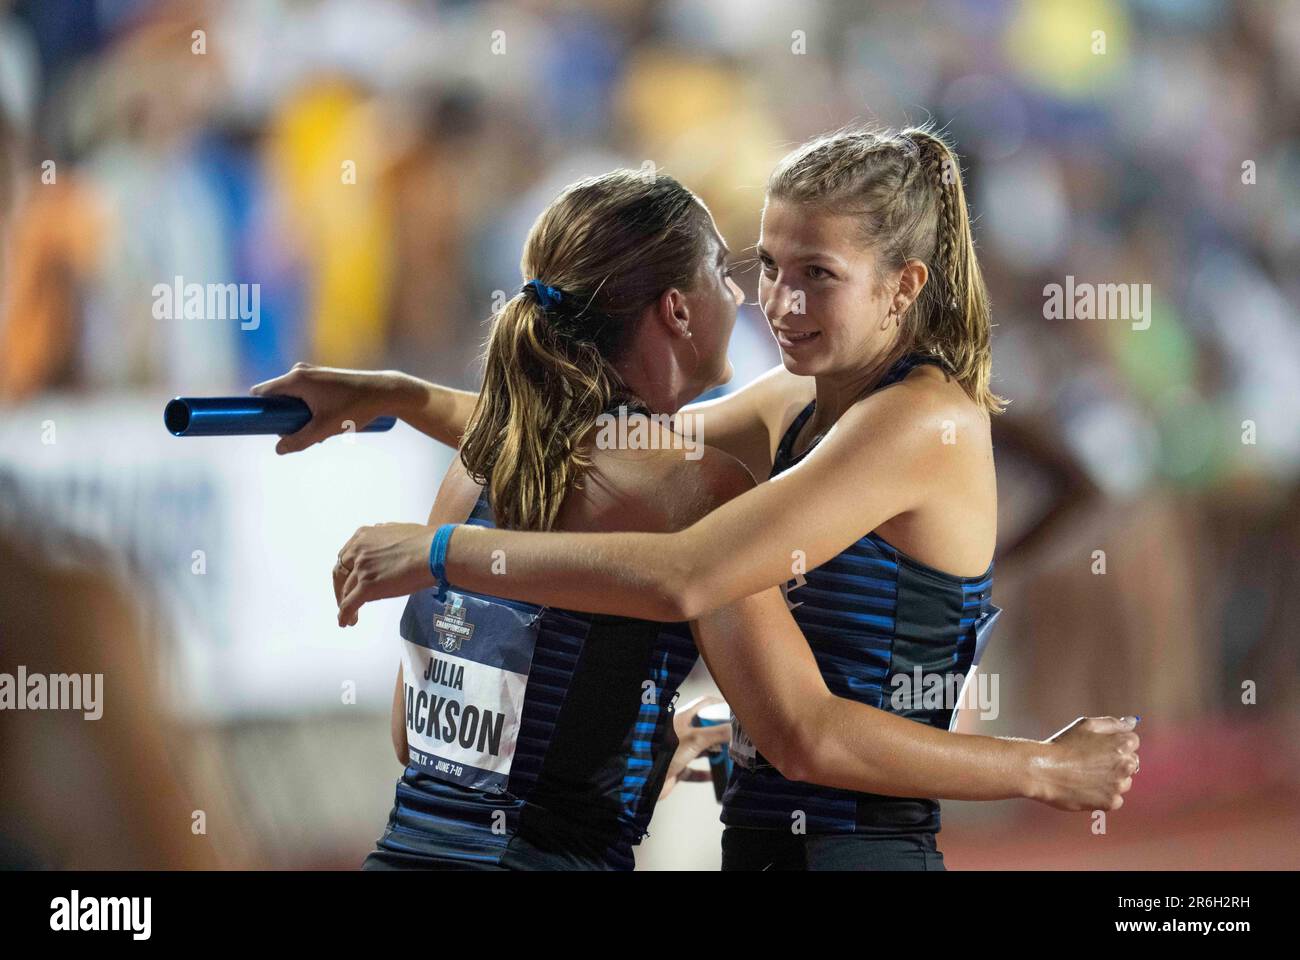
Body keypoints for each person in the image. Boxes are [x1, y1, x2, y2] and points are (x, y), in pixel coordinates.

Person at [262, 130, 1140, 871]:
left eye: (819, 276)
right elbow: (599, 450)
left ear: (903, 286)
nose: (781, 304)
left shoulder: (920, 420)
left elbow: (693, 575)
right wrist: (395, 394)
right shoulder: (788, 405)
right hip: (757, 839)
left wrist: (1042, 769)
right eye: (767, 267)